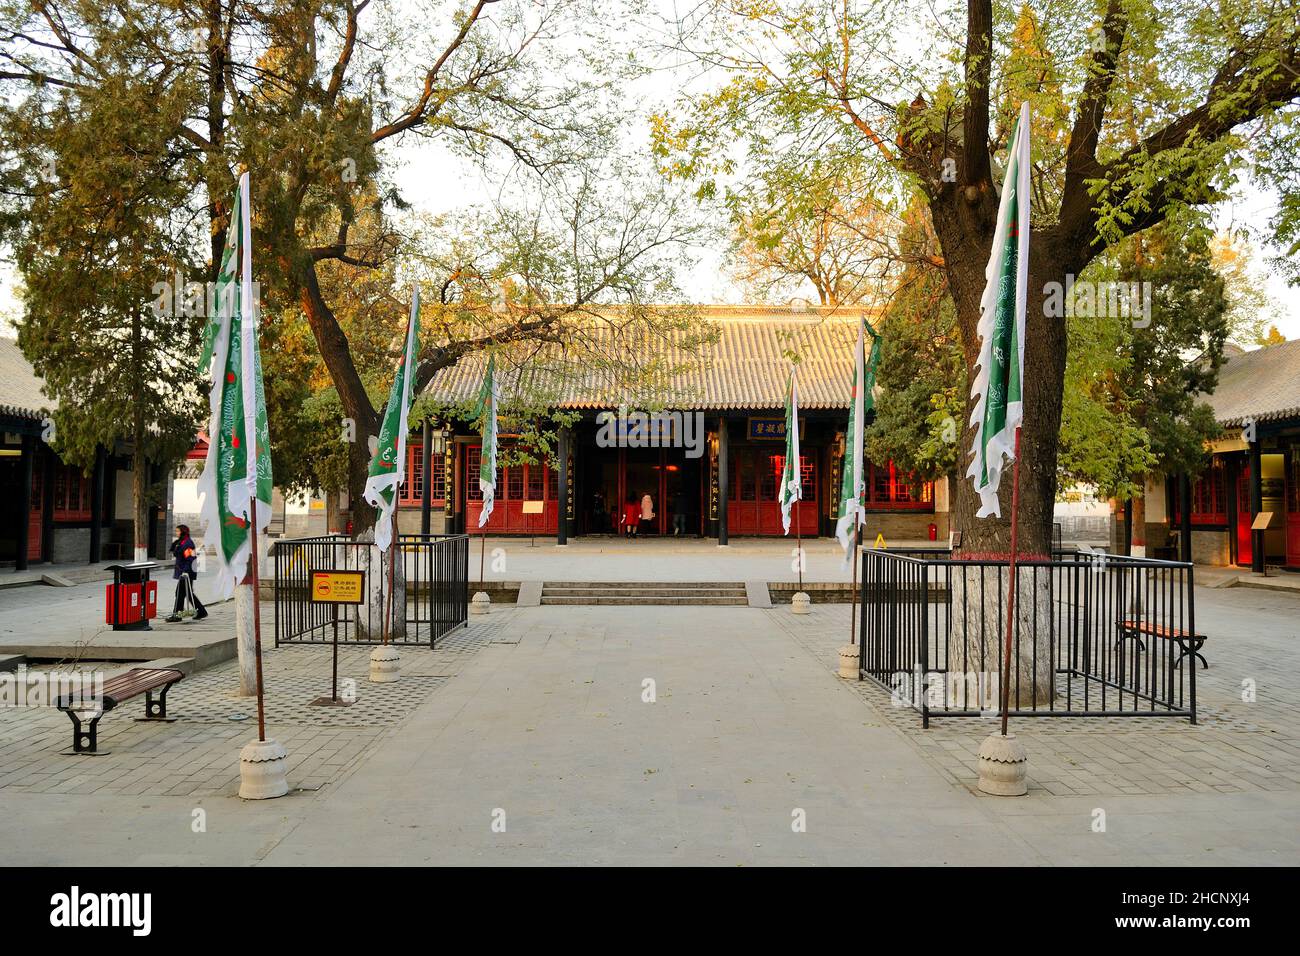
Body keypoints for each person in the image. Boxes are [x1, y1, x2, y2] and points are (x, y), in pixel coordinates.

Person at [165, 524, 207, 622]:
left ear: (183, 532)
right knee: (187, 593)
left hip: (186, 573)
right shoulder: (181, 542)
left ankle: (177, 615)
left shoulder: (188, 544)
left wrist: (185, 572)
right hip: (184, 572)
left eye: (178, 531)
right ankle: (201, 611)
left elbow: (191, 559)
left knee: (180, 593)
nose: (177, 533)